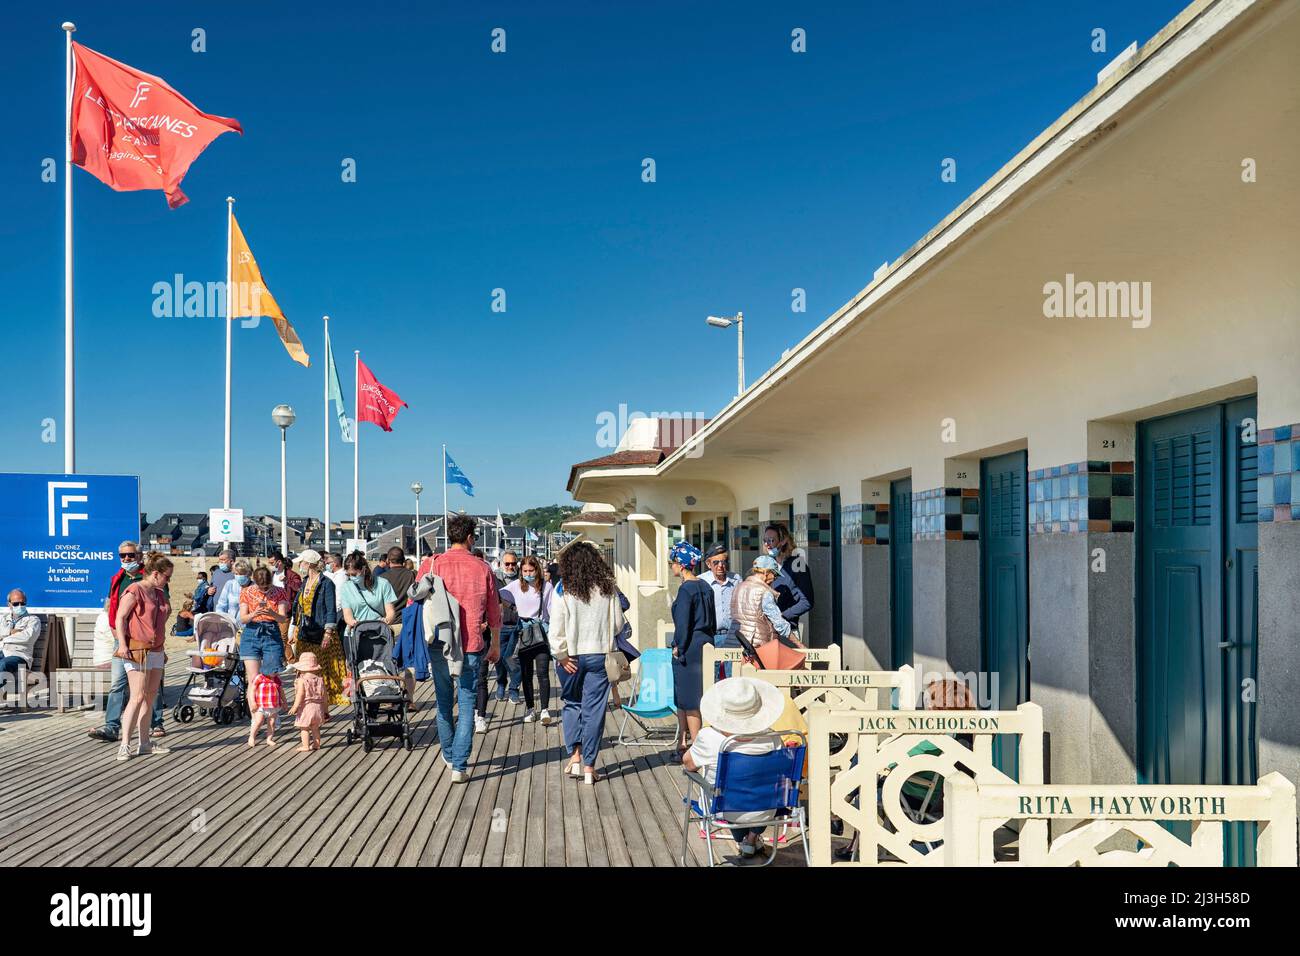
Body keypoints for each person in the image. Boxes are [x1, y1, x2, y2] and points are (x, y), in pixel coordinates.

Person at [430, 515, 502, 784]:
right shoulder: (482, 568)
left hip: (440, 642)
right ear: (471, 537)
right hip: (471, 643)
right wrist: (495, 644)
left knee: (444, 702)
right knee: (468, 700)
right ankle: (459, 765)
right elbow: (495, 613)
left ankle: (449, 755)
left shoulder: (434, 564)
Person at [684, 675, 789, 859]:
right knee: (760, 789)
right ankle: (752, 838)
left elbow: (688, 763)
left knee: (731, 793)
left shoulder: (709, 737)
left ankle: (745, 840)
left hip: (725, 809)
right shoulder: (773, 738)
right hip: (767, 808)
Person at [549, 542, 624, 785]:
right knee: (594, 711)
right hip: (599, 655)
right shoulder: (608, 588)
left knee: (572, 703)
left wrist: (560, 654)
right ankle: (590, 767)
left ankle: (575, 756)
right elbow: (617, 625)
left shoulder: (564, 588)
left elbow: (556, 626)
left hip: (571, 656)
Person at [88, 541, 166, 743]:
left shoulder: (150, 577)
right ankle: (112, 726)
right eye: (122, 556)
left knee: (149, 687)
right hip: (121, 640)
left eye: (130, 555)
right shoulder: (118, 579)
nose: (126, 559)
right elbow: (113, 610)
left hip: (145, 642)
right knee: (117, 684)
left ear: (139, 556)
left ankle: (156, 723)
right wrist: (117, 634)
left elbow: (163, 610)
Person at [113, 552, 174, 761]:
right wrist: (122, 644)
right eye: (167, 577)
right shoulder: (135, 590)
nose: (168, 581)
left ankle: (145, 742)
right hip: (137, 648)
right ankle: (124, 744)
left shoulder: (158, 593)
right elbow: (120, 617)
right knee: (137, 696)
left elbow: (160, 622)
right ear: (155, 574)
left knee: (150, 695)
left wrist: (162, 648)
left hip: (156, 648)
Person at [338, 552, 414, 701]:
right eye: (348, 575)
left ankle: (380, 697)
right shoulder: (347, 587)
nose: (352, 577)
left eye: (354, 574)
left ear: (364, 569)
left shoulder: (382, 584)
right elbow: (347, 614)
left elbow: (390, 611)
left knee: (381, 667)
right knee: (357, 668)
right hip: (355, 634)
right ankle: (362, 702)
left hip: (379, 633)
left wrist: (386, 620)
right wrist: (353, 622)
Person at [669, 541, 715, 758]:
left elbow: (683, 624)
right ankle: (688, 742)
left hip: (689, 646)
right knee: (698, 694)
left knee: (689, 699)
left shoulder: (686, 590)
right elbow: (712, 620)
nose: (671, 567)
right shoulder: (706, 586)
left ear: (681, 563)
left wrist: (678, 647)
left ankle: (697, 747)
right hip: (706, 642)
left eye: (672, 562)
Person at [501, 554, 554, 724]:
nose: (528, 573)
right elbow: (497, 594)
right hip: (523, 632)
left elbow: (552, 610)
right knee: (526, 674)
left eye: (531, 570)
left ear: (537, 570)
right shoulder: (516, 585)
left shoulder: (546, 586)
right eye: (524, 571)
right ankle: (531, 709)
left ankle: (544, 709)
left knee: (543, 673)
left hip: (541, 632)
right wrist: (512, 607)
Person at [290, 550, 347, 707]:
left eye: (301, 562)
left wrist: (328, 633)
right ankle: (307, 701)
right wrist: (294, 626)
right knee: (305, 669)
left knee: (321, 670)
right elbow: (298, 606)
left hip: (321, 632)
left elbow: (331, 609)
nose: (299, 565)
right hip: (305, 631)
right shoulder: (305, 581)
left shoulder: (326, 583)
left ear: (308, 564)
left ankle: (323, 704)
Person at [731, 555, 802, 653]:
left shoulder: (738, 588)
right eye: (775, 574)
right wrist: (799, 645)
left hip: (736, 644)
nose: (775, 579)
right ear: (766, 572)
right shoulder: (764, 592)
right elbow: (779, 623)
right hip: (757, 647)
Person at [238, 566, 290, 691]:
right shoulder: (246, 592)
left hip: (271, 632)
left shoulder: (279, 591)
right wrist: (254, 614)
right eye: (261, 587)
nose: (264, 590)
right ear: (254, 582)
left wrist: (273, 613)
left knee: (271, 676)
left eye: (267, 587)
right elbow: (243, 619)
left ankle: (270, 707)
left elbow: (283, 618)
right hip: (251, 631)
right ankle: (254, 710)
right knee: (253, 679)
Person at [762, 523, 814, 631]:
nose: (767, 544)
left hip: (786, 629)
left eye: (771, 540)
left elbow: (807, 602)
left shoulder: (798, 565)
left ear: (783, 541)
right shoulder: (766, 564)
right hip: (765, 630)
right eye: (765, 540)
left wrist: (781, 616)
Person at [701, 544, 742, 680]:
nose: (720, 566)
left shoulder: (736, 580)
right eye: (716, 562)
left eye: (724, 561)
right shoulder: (701, 581)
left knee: (732, 676)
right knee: (712, 676)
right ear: (708, 564)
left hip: (732, 635)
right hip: (711, 635)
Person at [490, 551, 524, 706]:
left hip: (518, 624)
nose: (511, 567)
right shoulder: (495, 579)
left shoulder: (522, 579)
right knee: (500, 659)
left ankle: (514, 689)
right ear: (501, 564)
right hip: (500, 624)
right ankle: (501, 682)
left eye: (513, 564)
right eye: (507, 564)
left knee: (513, 658)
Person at [287, 651, 328, 751]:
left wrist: (295, 707)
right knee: (315, 728)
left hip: (306, 707)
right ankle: (316, 744)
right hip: (318, 708)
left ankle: (305, 746)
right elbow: (325, 696)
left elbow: (300, 695)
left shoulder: (302, 680)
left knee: (304, 728)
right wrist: (326, 710)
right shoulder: (320, 680)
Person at [0, 589, 41, 687]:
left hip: (19, 656)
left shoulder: (33, 620)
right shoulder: (3, 619)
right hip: (2, 651)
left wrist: (3, 637)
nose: (19, 606)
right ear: (9, 604)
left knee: (3, 664)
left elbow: (27, 637)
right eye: (15, 604)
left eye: (22, 603)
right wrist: (10, 632)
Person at [248, 672, 281, 747]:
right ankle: (252, 737)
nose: (275, 673)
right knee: (259, 721)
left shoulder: (276, 679)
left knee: (272, 723)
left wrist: (284, 701)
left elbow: (280, 691)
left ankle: (269, 739)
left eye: (276, 671)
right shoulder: (260, 677)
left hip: (273, 705)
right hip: (260, 705)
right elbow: (252, 690)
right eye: (274, 671)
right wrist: (253, 702)